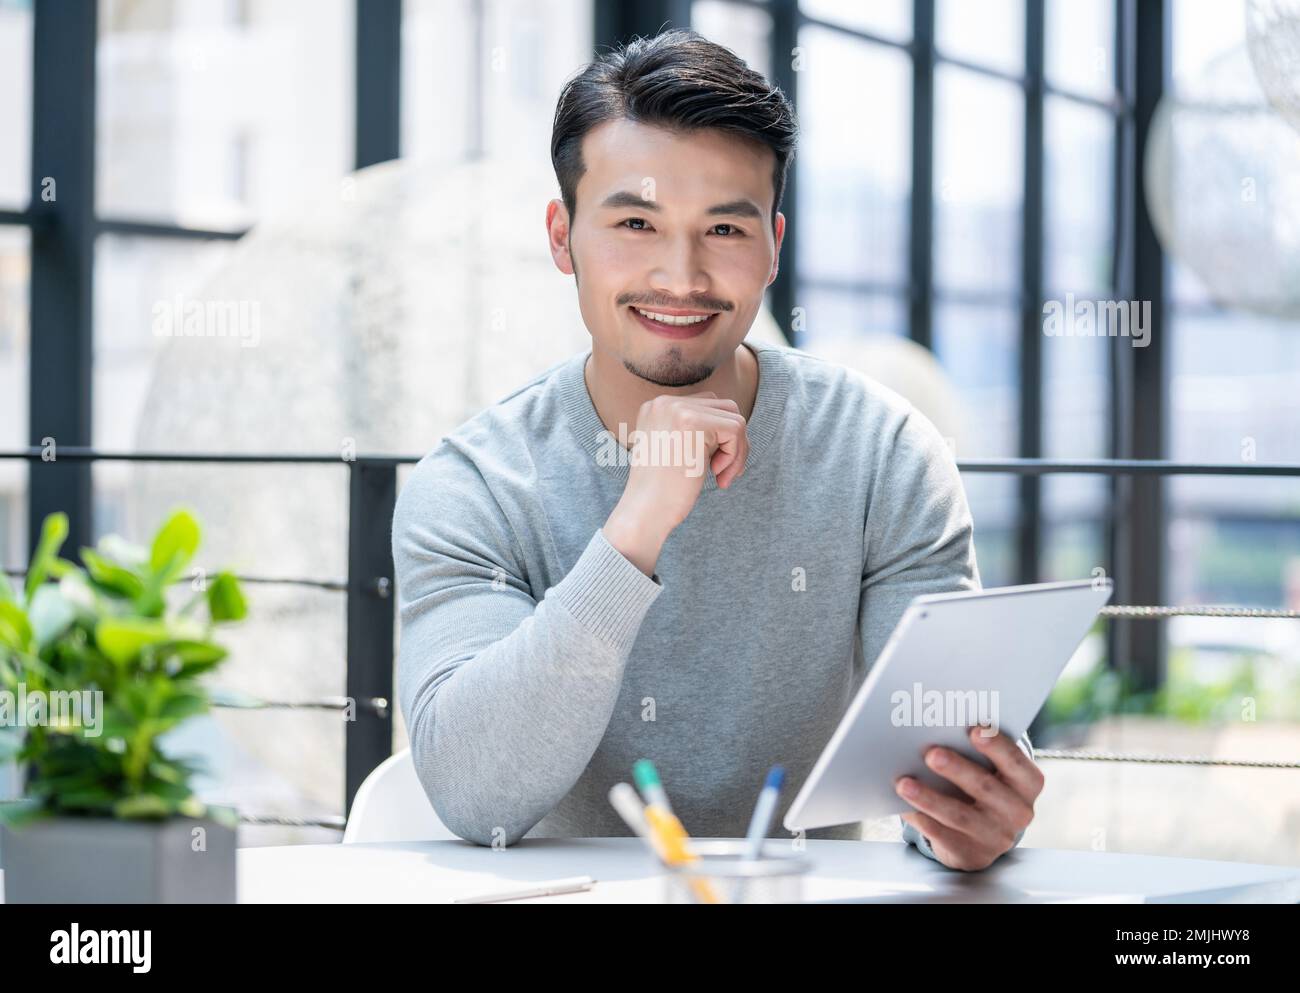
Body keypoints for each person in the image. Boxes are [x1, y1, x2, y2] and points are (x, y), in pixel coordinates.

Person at [393, 29, 1041, 871]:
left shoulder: (883, 454)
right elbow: (475, 792)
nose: (681, 277)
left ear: (772, 243)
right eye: (635, 222)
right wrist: (635, 529)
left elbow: (936, 761)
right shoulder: (475, 481)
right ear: (562, 237)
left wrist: (966, 815)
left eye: (724, 232)